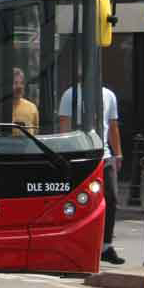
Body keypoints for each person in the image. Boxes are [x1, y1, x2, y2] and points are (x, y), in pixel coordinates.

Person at [57, 80, 123, 265]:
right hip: (80, 155)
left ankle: (106, 246)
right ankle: (76, 245)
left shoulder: (109, 95)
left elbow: (113, 126)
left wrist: (118, 154)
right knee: (80, 202)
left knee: (111, 198)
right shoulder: (70, 94)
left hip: (105, 155)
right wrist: (67, 154)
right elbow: (64, 127)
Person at [10, 67, 39, 133]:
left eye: (22, 83)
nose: (19, 86)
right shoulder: (0, 109)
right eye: (15, 83)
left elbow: (36, 133)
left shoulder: (32, 108)